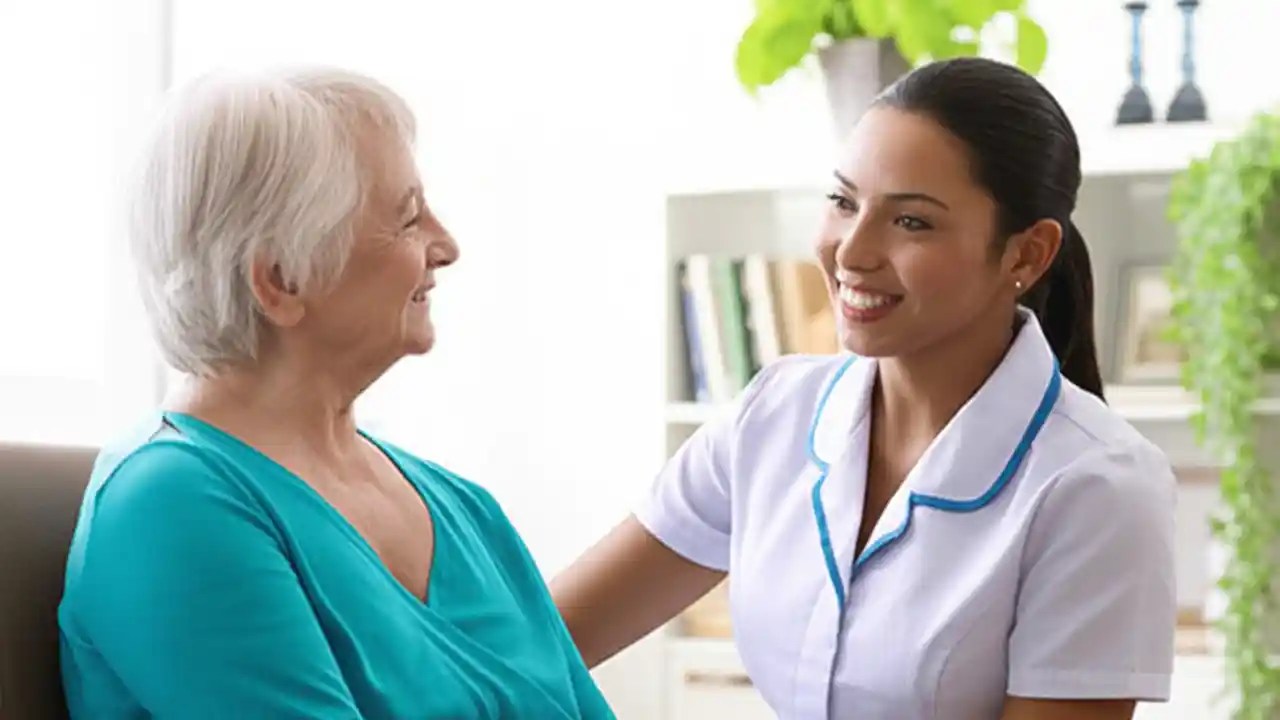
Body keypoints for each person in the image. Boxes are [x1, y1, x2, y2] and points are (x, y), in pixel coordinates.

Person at [552, 57, 1176, 720]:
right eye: (845, 203)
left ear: (1025, 255)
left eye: (911, 222)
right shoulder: (774, 415)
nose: (852, 252)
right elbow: (534, 643)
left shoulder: (1098, 486)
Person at [59, 67, 613, 720]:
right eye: (408, 220)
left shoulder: (465, 509)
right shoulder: (169, 505)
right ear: (281, 279)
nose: (447, 246)